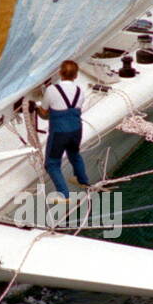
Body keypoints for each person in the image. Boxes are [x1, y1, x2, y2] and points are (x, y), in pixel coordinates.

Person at [36, 59, 91, 200]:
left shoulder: (51, 90)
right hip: (76, 130)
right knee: (74, 154)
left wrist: (36, 108)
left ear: (60, 73)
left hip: (60, 132)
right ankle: (83, 181)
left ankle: (64, 195)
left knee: (52, 164)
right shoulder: (80, 91)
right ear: (76, 75)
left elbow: (44, 114)